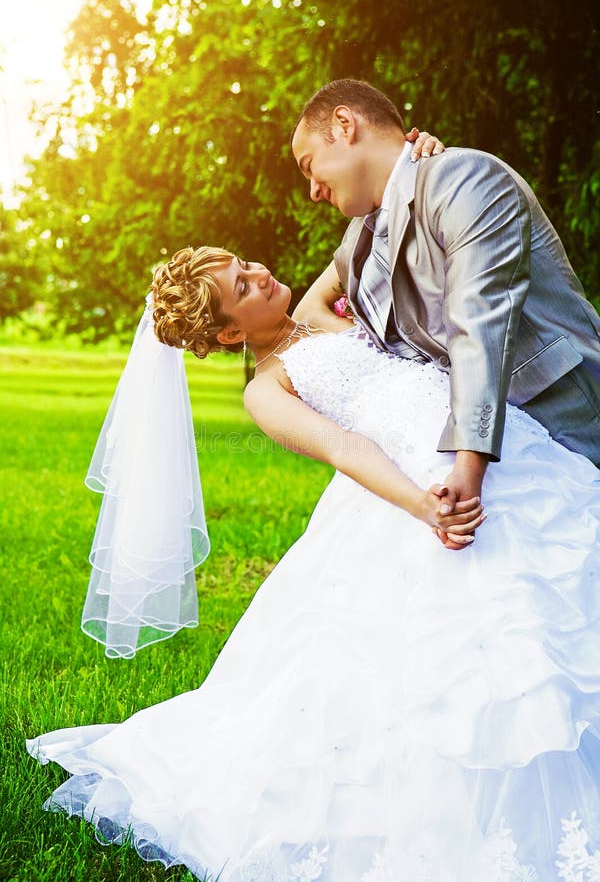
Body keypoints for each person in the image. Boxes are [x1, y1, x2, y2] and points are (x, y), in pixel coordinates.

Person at [28, 245, 600, 880]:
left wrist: (415, 158)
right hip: (419, 478)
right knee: (489, 639)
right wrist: (419, 503)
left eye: (245, 264)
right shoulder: (267, 390)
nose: (258, 274)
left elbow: (367, 228)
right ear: (227, 333)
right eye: (243, 288)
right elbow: (343, 445)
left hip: (497, 442)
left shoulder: (316, 311)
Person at [291, 79, 600, 522]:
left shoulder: (461, 177)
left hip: (561, 417)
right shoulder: (359, 241)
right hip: (490, 446)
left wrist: (468, 465)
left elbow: (479, 322)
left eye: (309, 165)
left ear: (344, 124)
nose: (313, 191)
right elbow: (309, 313)